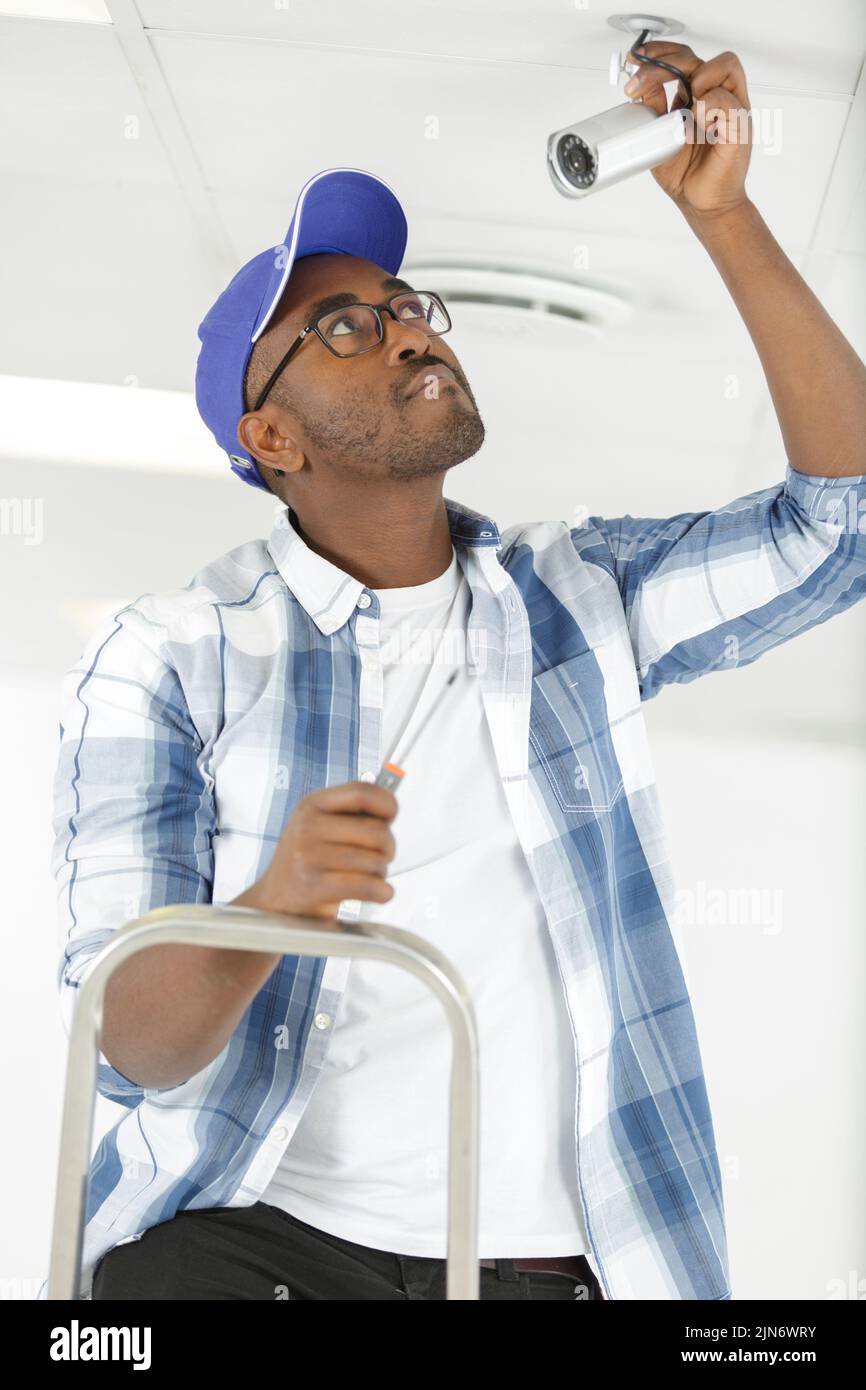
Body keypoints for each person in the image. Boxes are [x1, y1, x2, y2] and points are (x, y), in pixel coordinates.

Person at [41, 42, 866, 1302]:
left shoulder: (577, 599)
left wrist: (729, 215)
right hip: (266, 1250)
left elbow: (839, 522)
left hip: (566, 1263)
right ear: (271, 438)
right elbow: (130, 1044)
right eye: (341, 325)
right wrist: (273, 903)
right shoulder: (171, 654)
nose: (405, 329)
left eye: (409, 301)